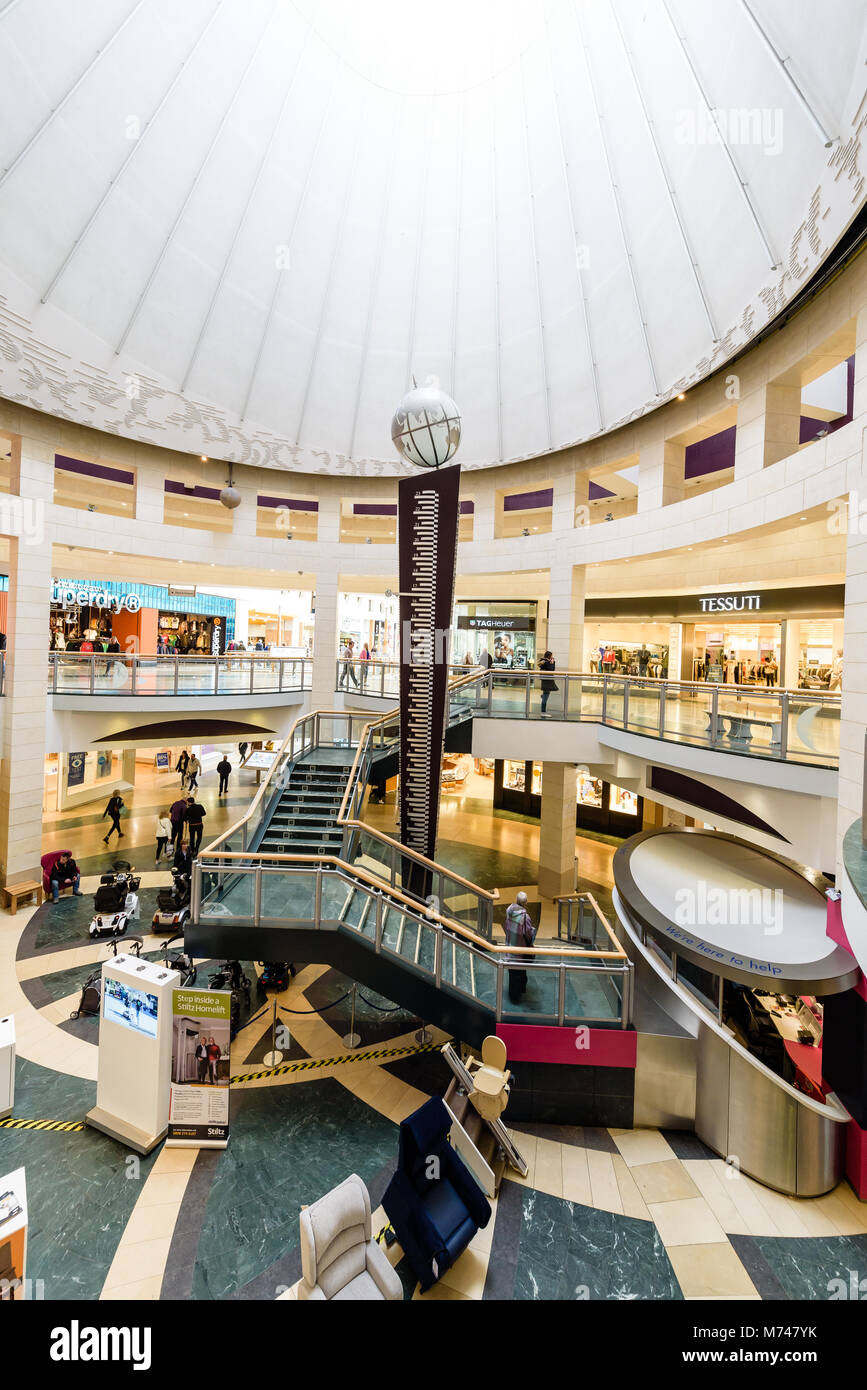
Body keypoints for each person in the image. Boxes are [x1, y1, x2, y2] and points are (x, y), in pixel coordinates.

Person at [503, 891, 536, 1003]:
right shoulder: (525, 917)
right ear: (525, 903)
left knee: (512, 973)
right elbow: (528, 934)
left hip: (509, 946)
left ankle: (512, 994)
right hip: (520, 950)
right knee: (520, 972)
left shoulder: (509, 910)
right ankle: (517, 996)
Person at [539, 650, 558, 714]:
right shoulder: (547, 662)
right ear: (549, 656)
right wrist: (552, 663)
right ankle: (543, 712)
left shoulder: (543, 661)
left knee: (546, 694)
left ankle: (543, 696)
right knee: (545, 696)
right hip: (547, 680)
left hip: (545, 680)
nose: (552, 657)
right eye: (551, 656)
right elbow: (551, 670)